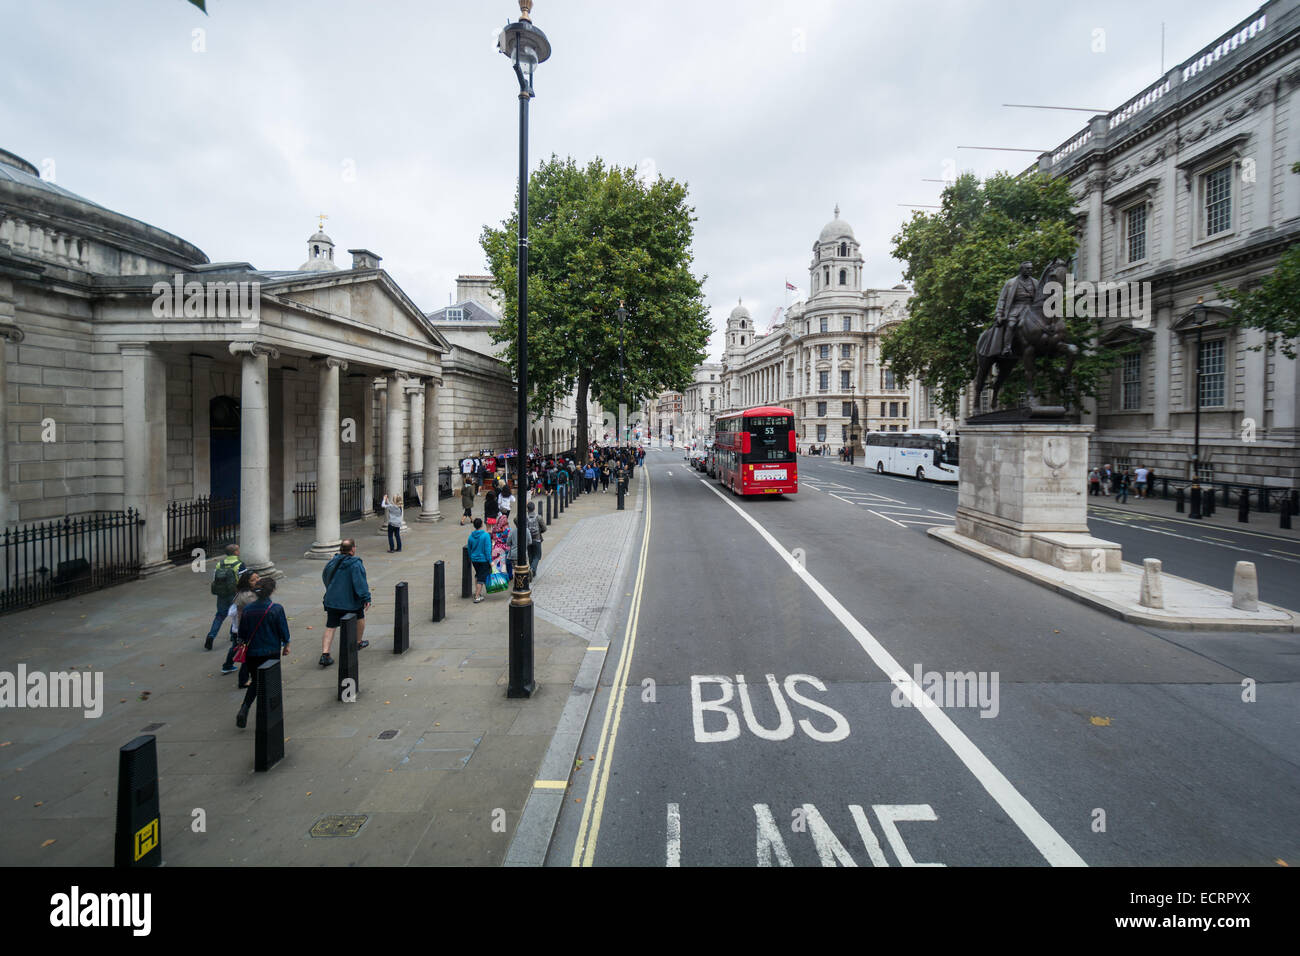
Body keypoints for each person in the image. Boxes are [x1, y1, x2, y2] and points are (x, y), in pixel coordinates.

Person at [233, 577, 290, 729]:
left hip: (252, 652)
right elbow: (282, 628)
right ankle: (269, 712)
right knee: (271, 682)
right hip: (270, 651)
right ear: (272, 591)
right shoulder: (275, 608)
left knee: (256, 681)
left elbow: (242, 633)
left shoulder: (247, 610)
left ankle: (245, 708)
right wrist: (286, 644)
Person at [319, 538, 371, 667]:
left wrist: (332, 590)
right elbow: (360, 583)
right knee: (360, 618)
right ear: (353, 549)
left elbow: (325, 576)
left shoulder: (333, 561)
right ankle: (358, 642)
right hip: (350, 601)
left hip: (333, 601)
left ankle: (325, 654)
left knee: (330, 626)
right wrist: (366, 598)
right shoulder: (356, 564)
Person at [221, 568, 260, 679]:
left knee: (237, 647)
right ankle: (240, 675)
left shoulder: (244, 592)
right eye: (253, 580)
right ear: (247, 582)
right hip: (242, 629)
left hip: (238, 627)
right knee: (242, 649)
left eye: (257, 577)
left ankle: (228, 665)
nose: (257, 580)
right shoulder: (247, 596)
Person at [204, 544, 244, 650]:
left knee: (220, 615)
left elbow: (215, 578)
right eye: (238, 549)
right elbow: (243, 580)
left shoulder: (219, 564)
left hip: (222, 594)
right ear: (235, 552)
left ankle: (211, 635)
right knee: (236, 614)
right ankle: (233, 635)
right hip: (235, 593)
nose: (239, 551)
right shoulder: (239, 564)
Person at [467, 517, 493, 603]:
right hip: (483, 560)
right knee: (481, 579)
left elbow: (469, 549)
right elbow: (487, 550)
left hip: (475, 560)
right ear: (482, 525)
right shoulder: (485, 536)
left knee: (477, 575)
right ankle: (477, 596)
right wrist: (490, 561)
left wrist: (471, 557)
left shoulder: (471, 536)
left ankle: (477, 592)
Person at [526, 499, 545, 577]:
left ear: (527, 509)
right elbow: (544, 528)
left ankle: (533, 572)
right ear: (534, 508)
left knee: (530, 555)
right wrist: (540, 531)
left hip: (528, 539)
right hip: (537, 539)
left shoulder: (525, 517)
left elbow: (515, 520)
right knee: (537, 556)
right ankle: (532, 569)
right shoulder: (538, 517)